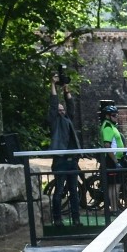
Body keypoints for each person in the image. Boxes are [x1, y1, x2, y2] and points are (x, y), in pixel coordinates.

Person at [47, 92, 80, 225]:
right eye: (59, 110)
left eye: (62, 110)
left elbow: (71, 107)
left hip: (72, 161)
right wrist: (53, 85)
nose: (61, 112)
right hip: (60, 161)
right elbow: (53, 105)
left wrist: (67, 92)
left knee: (74, 191)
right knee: (59, 191)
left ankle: (76, 219)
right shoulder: (54, 122)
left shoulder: (68, 120)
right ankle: (57, 219)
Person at [97, 103, 126, 212]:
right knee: (115, 185)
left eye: (116, 115)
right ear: (107, 116)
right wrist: (115, 160)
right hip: (112, 160)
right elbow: (107, 145)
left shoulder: (111, 125)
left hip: (114, 159)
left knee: (113, 185)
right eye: (114, 115)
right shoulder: (108, 126)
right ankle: (114, 208)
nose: (116, 116)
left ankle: (113, 208)